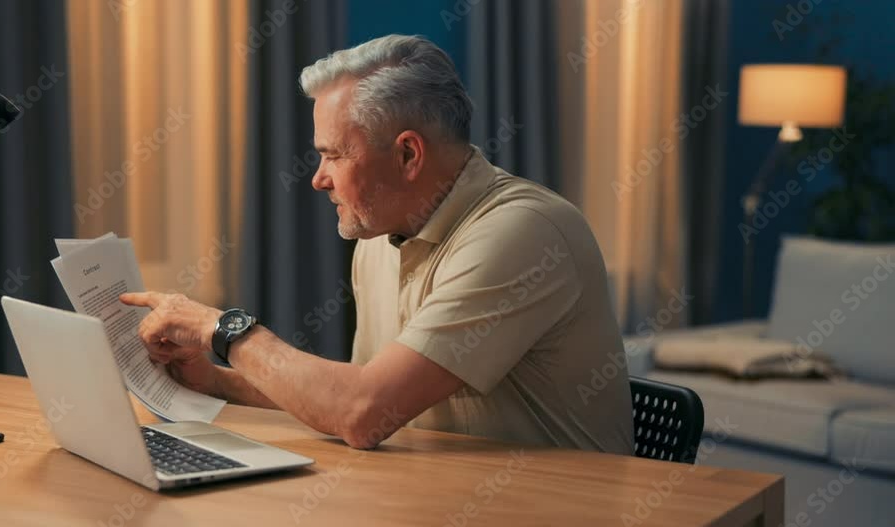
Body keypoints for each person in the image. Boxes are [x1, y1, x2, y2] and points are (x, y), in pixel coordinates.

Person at [120, 34, 633, 453]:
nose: (318, 178)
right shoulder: (380, 233)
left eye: (334, 155)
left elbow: (362, 413)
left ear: (408, 154)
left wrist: (222, 328)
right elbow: (351, 396)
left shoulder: (522, 232)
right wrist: (214, 382)